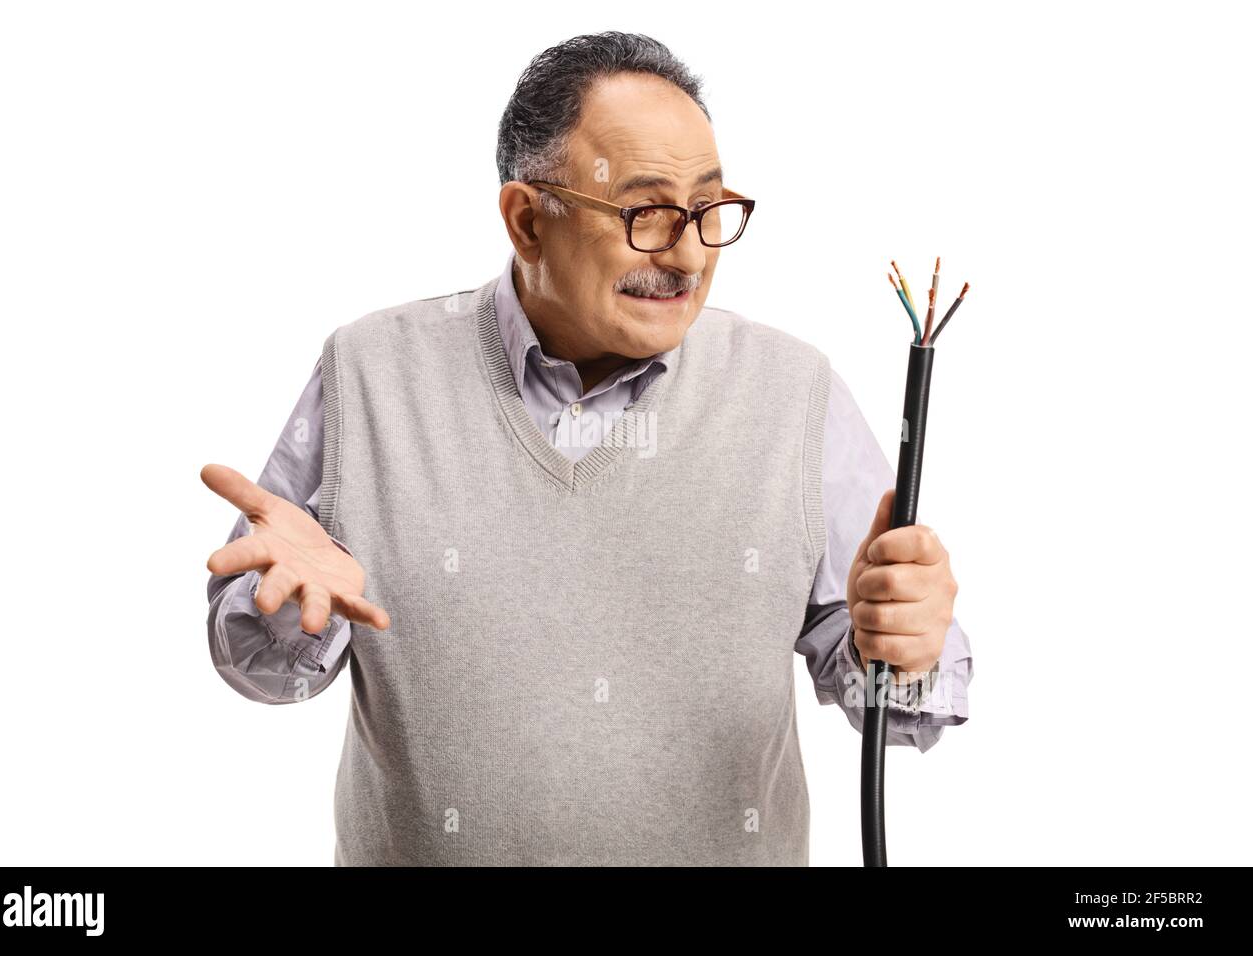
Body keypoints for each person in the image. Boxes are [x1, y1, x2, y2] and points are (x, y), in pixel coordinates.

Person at [202, 31, 972, 866]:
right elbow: (262, 670)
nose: (688, 254)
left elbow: (892, 703)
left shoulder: (795, 392)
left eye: (709, 210)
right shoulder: (368, 374)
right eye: (646, 213)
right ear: (528, 220)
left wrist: (907, 646)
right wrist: (281, 615)